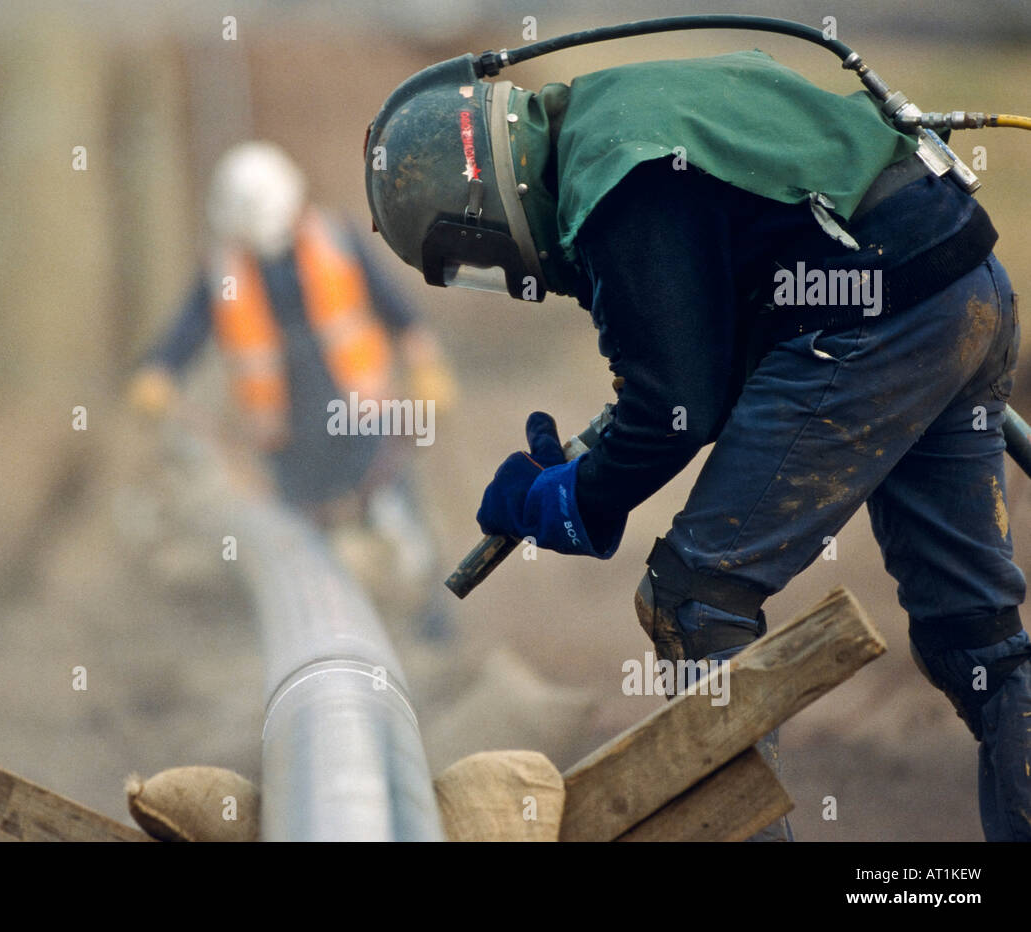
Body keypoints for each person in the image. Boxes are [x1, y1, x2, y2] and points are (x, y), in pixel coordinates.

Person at [364, 47, 1030, 839]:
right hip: (962, 286)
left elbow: (676, 403)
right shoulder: (619, 122)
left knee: (696, 597)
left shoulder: (614, 185)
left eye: (479, 258)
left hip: (879, 316)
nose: (506, 272)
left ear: (482, 204)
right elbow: (706, 351)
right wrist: (588, 472)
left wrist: (577, 500)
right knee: (975, 636)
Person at [130, 141, 457, 639]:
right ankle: (341, 640)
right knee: (313, 551)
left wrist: (427, 367)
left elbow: (402, 314)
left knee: (401, 530)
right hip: (289, 437)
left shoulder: (336, 240)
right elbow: (185, 335)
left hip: (365, 419)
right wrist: (157, 371)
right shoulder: (224, 272)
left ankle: (431, 631)